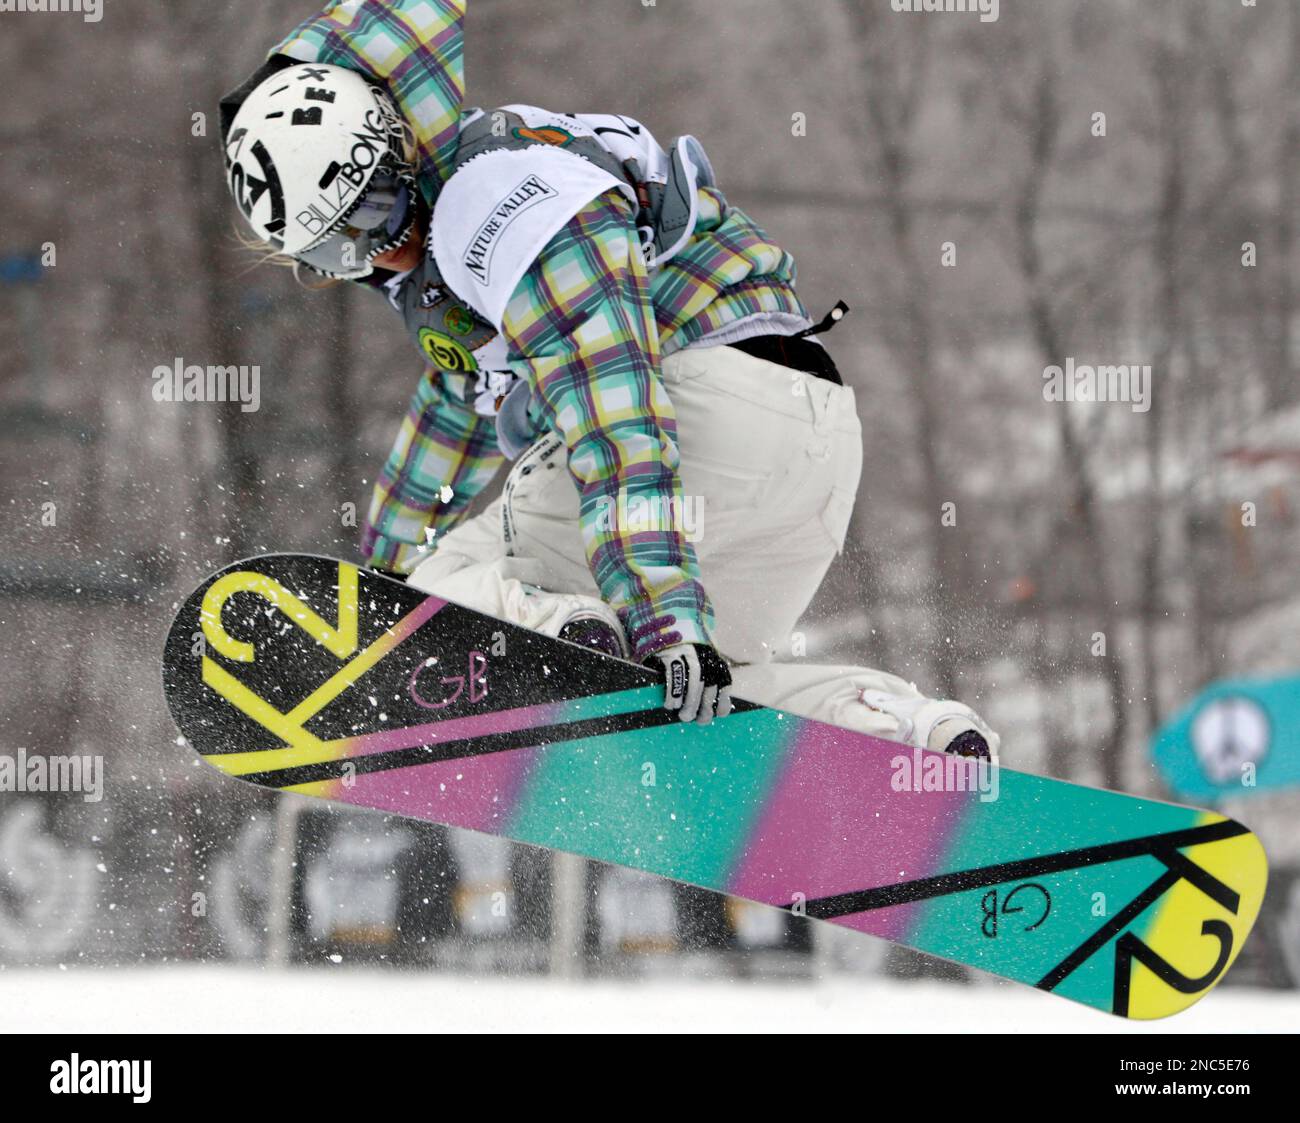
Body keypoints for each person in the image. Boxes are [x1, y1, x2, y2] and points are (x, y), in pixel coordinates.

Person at [219, 0, 998, 756]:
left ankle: (562, 642)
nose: (379, 250)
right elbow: (456, 409)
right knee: (707, 702)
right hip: (809, 448)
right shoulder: (457, 243)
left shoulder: (491, 204)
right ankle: (909, 740)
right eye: (337, 250)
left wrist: (655, 611)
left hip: (701, 414)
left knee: (437, 595)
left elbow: (611, 401)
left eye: (380, 207)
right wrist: (374, 575)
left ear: (402, 146)